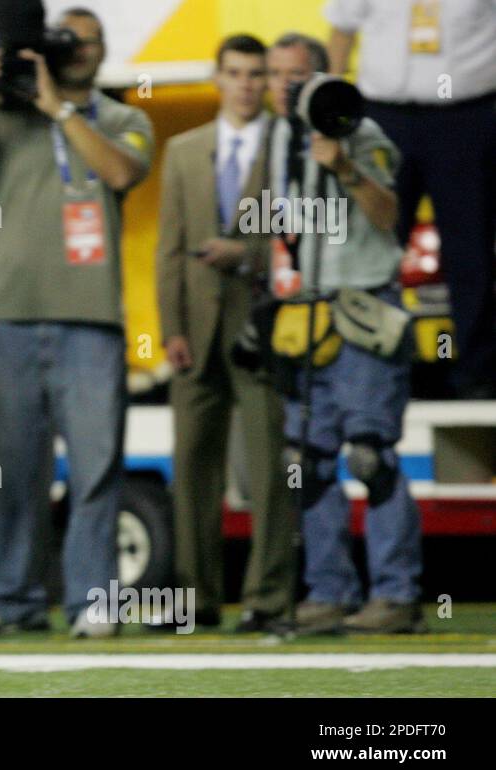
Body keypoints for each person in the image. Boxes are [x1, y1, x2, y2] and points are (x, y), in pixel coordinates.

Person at [0, 7, 152, 639]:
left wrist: (60, 108)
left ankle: (92, 601)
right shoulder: (0, 110)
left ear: (103, 51)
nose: (77, 50)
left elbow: (119, 173)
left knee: (96, 467)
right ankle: (4, 598)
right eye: (66, 41)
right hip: (6, 314)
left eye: (88, 42)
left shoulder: (124, 118)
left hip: (91, 317)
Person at [266, 33, 423, 634]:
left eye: (297, 75)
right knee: (306, 460)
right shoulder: (281, 136)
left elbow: (391, 218)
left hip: (363, 306)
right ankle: (328, 592)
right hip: (308, 309)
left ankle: (397, 595)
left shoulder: (364, 132)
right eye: (277, 74)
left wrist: (346, 166)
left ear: (324, 78)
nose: (285, 85)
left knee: (370, 455)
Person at [156, 34, 297, 632]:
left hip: (262, 329)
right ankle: (195, 599)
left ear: (266, 81)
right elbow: (168, 249)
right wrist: (170, 330)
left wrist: (245, 253)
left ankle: (268, 601)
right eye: (234, 72)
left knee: (267, 473)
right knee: (191, 472)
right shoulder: (185, 150)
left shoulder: (289, 148)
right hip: (195, 332)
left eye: (255, 74)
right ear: (216, 78)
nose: (244, 83)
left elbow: (302, 241)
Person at [326, 0, 496, 399]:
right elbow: (341, 30)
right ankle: (365, 366)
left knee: (469, 249)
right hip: (384, 117)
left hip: (467, 117)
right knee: (374, 247)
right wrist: (331, 111)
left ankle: (477, 374)